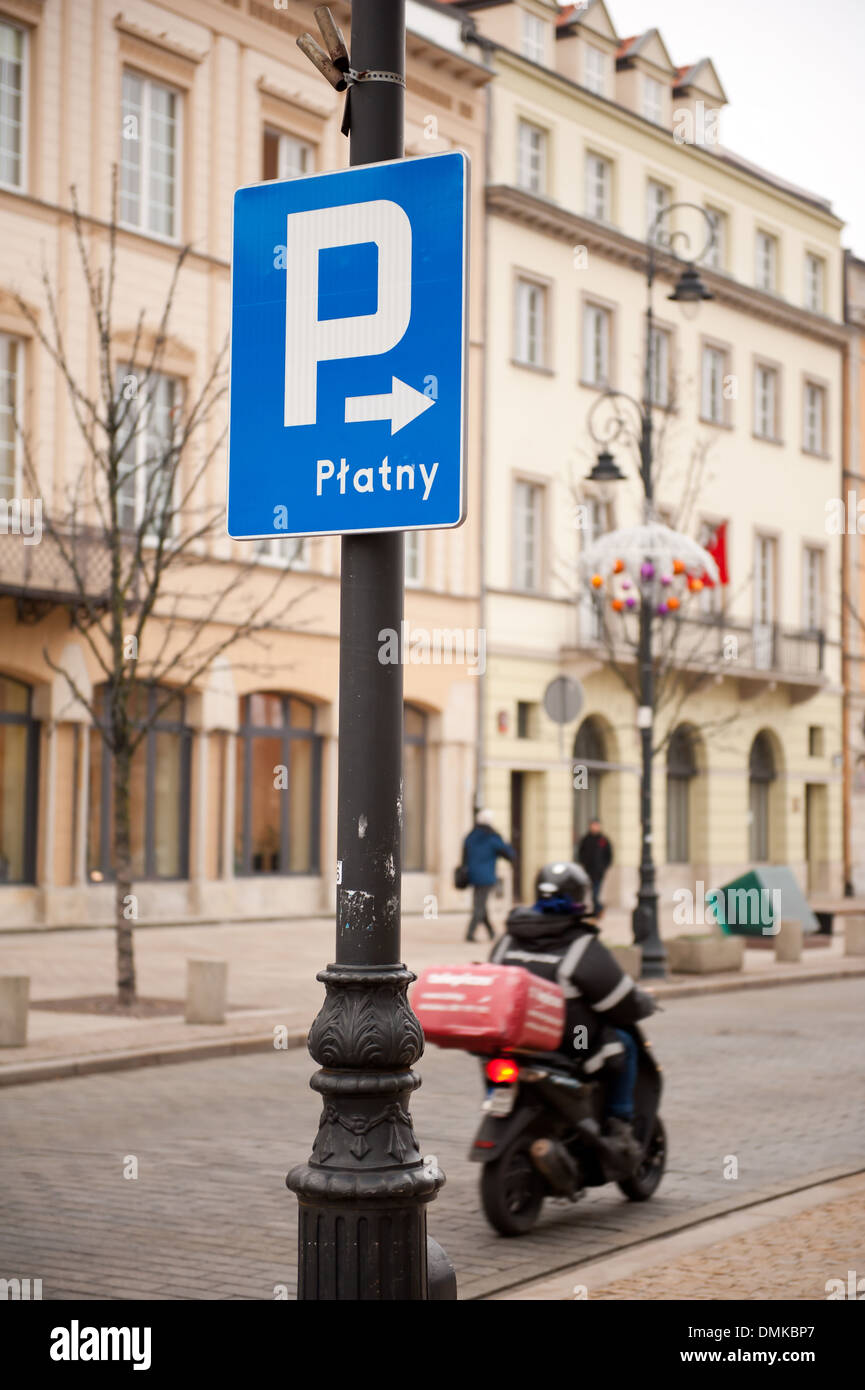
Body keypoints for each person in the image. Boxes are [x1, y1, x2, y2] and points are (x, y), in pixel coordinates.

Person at [491, 860, 654, 1166]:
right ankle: (620, 1123)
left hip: (516, 1043)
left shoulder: (509, 939)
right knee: (625, 1044)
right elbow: (618, 1001)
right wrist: (643, 1003)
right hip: (572, 1045)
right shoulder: (581, 945)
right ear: (580, 897)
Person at [461, 810, 515, 943]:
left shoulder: (470, 836)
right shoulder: (493, 837)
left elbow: (464, 857)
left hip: (473, 875)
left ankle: (491, 932)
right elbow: (509, 854)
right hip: (486, 876)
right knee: (479, 905)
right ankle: (470, 933)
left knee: (480, 903)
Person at [576, 819, 613, 917]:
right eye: (593, 825)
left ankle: (598, 910)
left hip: (599, 872)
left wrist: (604, 867)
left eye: (596, 825)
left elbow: (609, 855)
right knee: (590, 893)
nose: (594, 827)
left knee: (594, 894)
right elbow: (580, 853)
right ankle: (598, 910)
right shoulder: (586, 839)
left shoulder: (603, 839)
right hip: (588, 871)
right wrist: (583, 864)